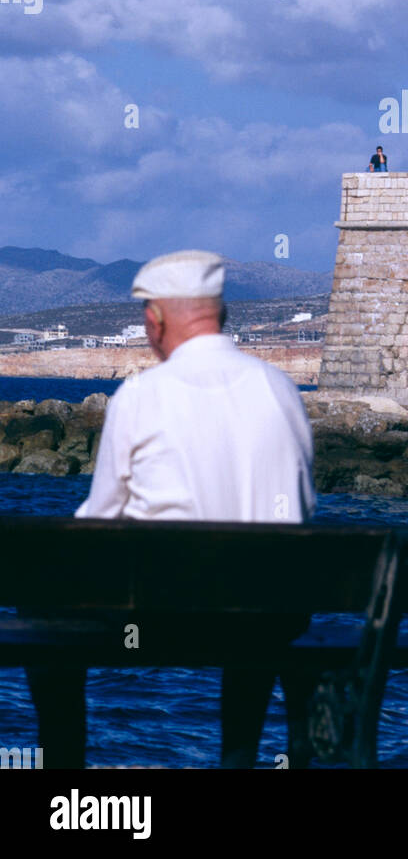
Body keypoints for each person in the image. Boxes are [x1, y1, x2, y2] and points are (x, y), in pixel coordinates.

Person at [27, 250, 315, 769]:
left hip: (162, 618)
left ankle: (63, 779)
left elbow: (99, 521)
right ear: (219, 313)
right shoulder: (281, 390)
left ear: (155, 320)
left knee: (42, 617)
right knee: (259, 609)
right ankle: (239, 759)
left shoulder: (141, 394)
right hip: (266, 618)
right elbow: (302, 508)